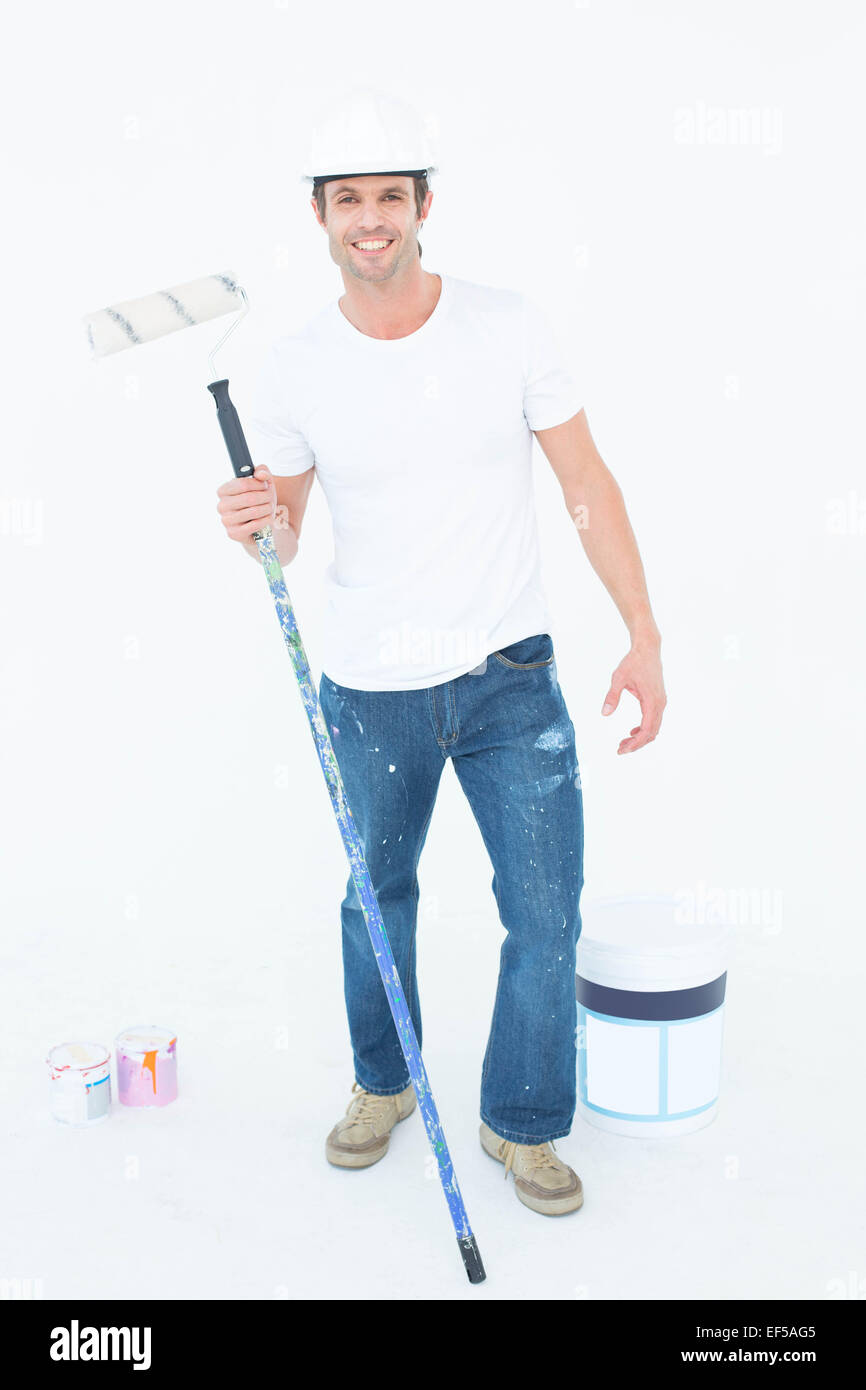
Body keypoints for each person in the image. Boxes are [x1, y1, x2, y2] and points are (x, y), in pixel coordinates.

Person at [216, 91, 666, 1216]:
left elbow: (584, 484)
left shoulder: (505, 323)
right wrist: (250, 523)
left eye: (389, 197)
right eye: (347, 200)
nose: (370, 219)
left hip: (509, 674)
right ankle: (384, 1081)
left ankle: (519, 1120)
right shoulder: (294, 365)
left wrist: (642, 635)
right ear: (319, 216)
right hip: (369, 687)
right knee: (376, 898)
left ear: (422, 206)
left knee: (547, 908)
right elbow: (286, 535)